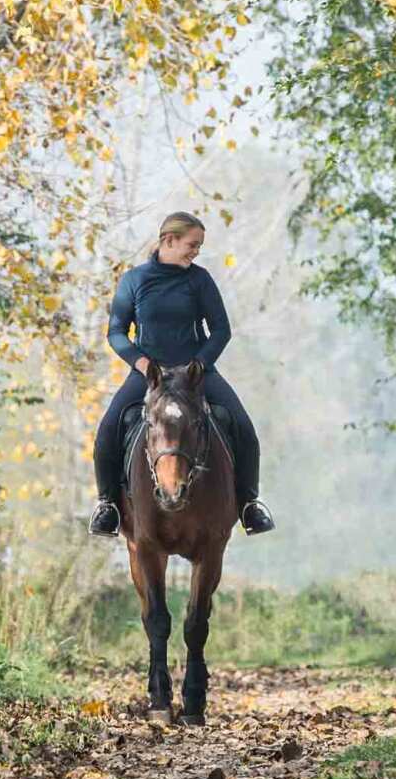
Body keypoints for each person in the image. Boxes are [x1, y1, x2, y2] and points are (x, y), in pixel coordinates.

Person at [89, 211, 274, 537]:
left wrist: (200, 364)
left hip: (195, 374)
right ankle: (108, 506)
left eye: (199, 246)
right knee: (107, 429)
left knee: (244, 428)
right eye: (192, 244)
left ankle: (249, 505)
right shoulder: (133, 280)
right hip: (150, 375)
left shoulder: (199, 280)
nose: (196, 252)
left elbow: (220, 330)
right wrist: (141, 363)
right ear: (169, 240)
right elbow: (116, 332)